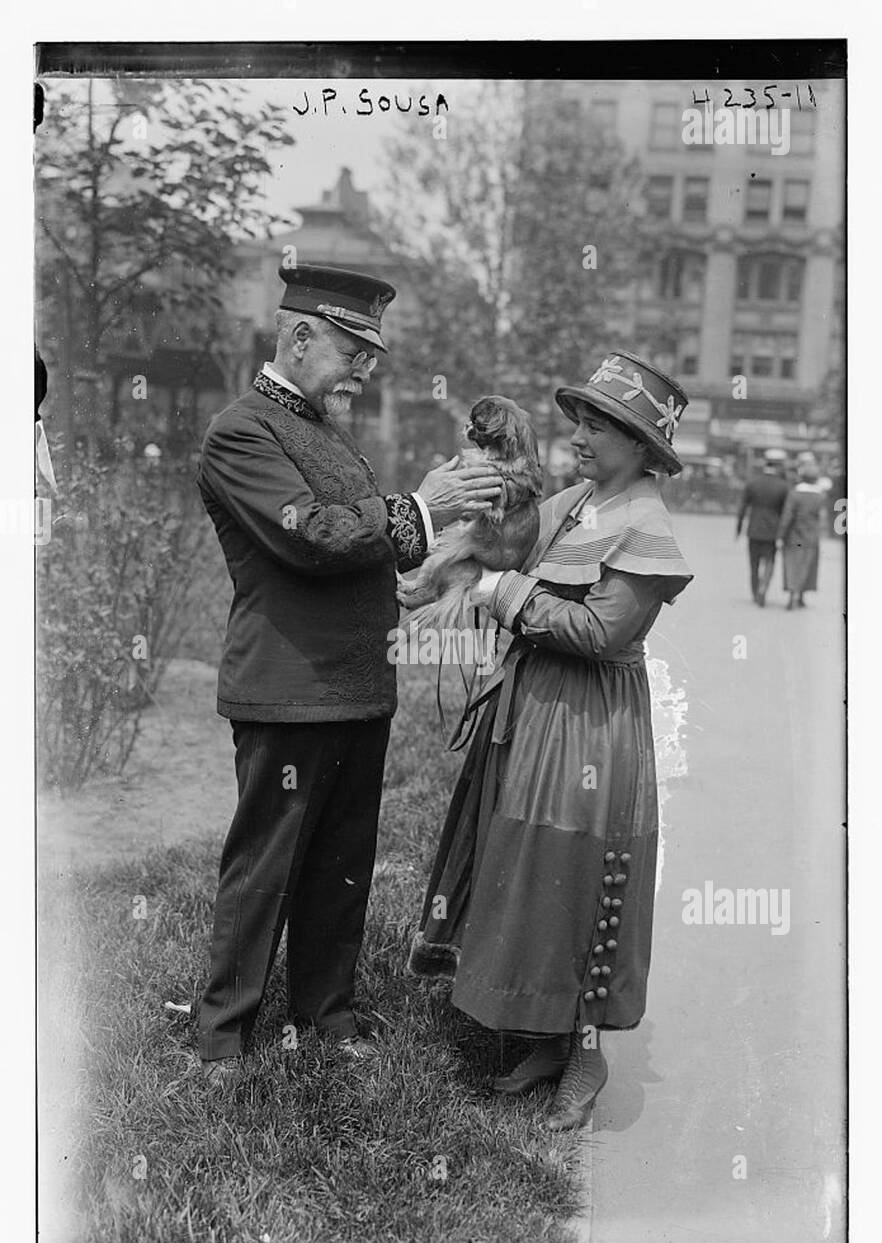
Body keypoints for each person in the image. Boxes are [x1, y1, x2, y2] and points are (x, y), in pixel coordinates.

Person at [196, 263, 503, 1088]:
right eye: (352, 348)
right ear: (298, 338)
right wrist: (427, 506)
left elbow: (358, 555)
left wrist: (421, 577)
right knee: (266, 864)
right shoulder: (240, 431)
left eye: (372, 354)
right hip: (287, 691)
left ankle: (325, 1015)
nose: (366, 368)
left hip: (359, 689)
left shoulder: (326, 432)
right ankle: (223, 1035)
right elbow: (316, 537)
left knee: (342, 863)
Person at [408, 351, 693, 1129]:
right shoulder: (574, 501)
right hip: (531, 706)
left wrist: (501, 591)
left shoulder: (644, 523)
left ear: (644, 447)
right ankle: (542, 1036)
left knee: (579, 869)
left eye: (601, 425)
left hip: (591, 724)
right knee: (528, 864)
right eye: (580, 420)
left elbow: (603, 631)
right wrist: (473, 515)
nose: (582, 435)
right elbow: (506, 543)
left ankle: (587, 1054)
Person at [735, 450, 790, 606]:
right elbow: (786, 512)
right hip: (773, 531)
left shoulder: (753, 483)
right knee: (770, 562)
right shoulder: (784, 486)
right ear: (779, 466)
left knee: (754, 563)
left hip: (754, 529)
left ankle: (755, 591)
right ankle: (763, 588)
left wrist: (738, 529)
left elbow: (742, 508)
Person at [778, 459, 827, 609]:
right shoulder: (820, 496)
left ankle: (792, 595)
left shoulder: (794, 493)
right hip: (811, 537)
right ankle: (802, 596)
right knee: (808, 565)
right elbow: (823, 519)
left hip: (794, 536)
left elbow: (787, 516)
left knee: (793, 563)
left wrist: (780, 535)